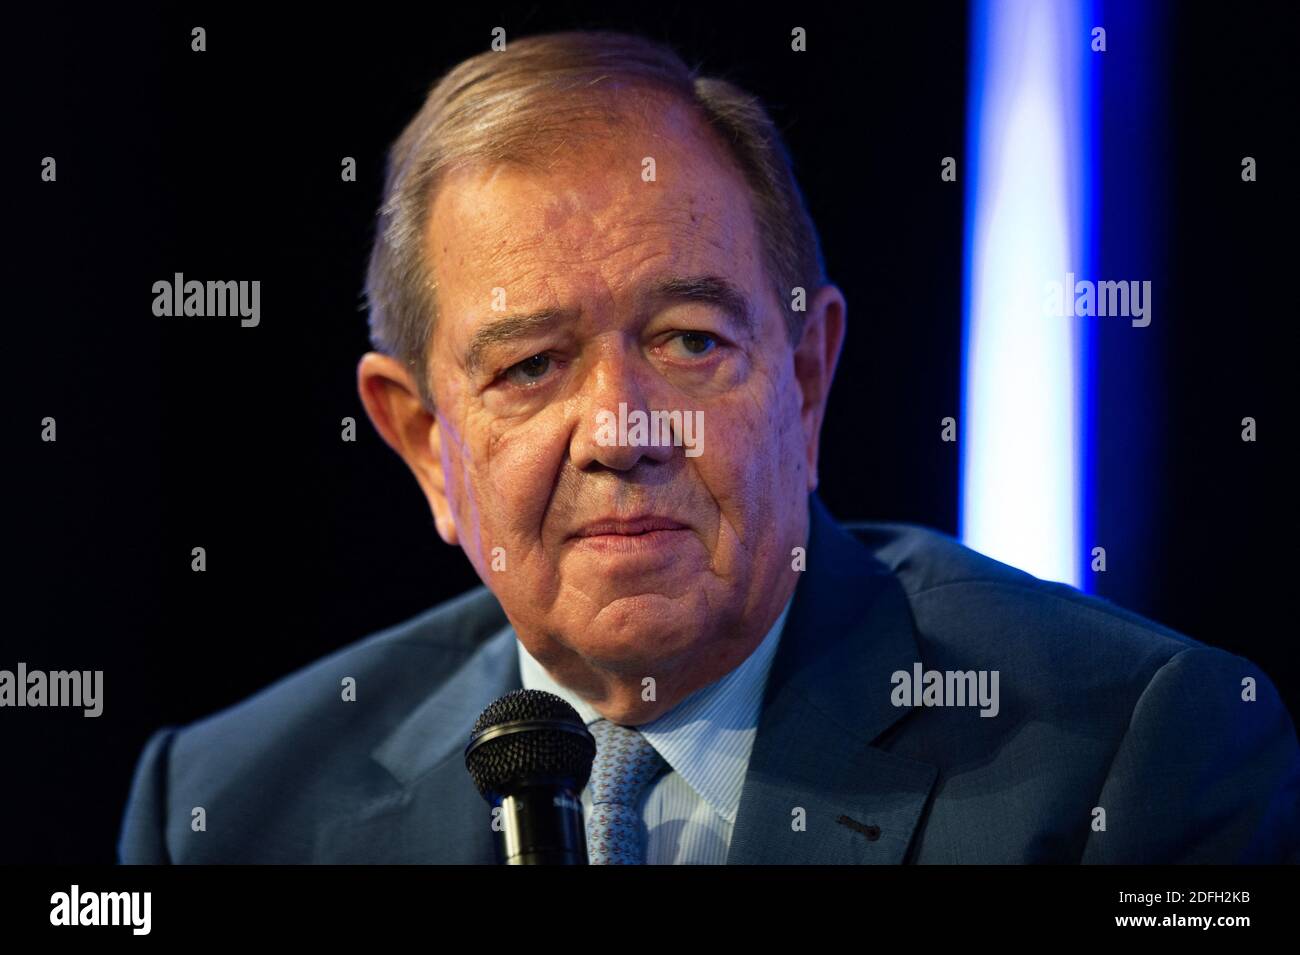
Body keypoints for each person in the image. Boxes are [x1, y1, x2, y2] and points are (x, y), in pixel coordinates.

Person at [118, 29, 1300, 865]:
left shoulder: (1128, 755)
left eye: (687, 341)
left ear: (804, 374)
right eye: (530, 366)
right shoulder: (225, 808)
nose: (623, 431)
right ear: (425, 440)